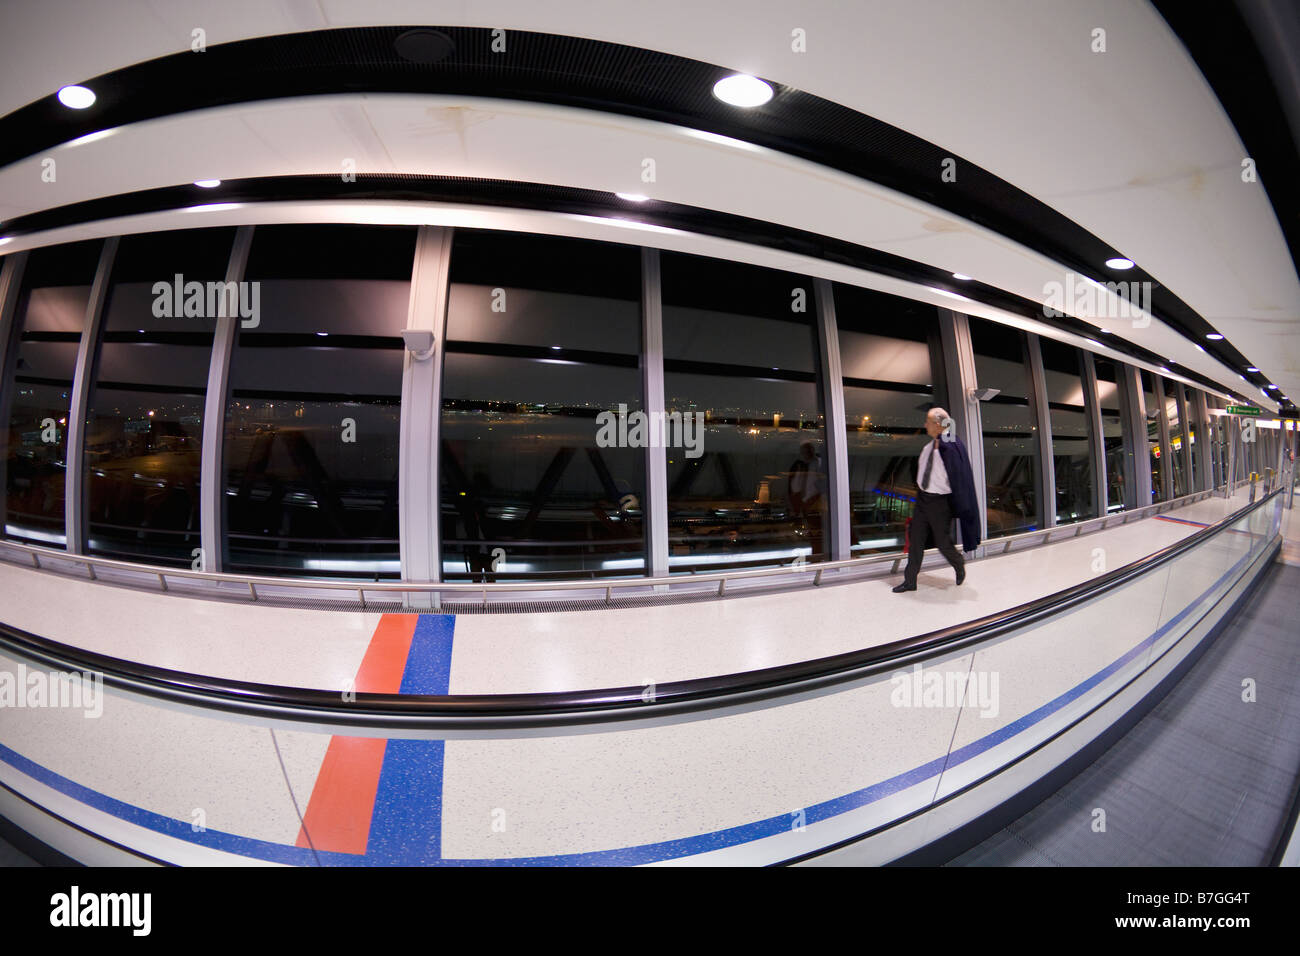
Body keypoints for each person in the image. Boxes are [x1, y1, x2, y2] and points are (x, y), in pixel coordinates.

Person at [893, 407, 981, 592]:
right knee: (916, 540)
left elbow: (958, 473)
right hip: (923, 499)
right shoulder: (929, 447)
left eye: (928, 421)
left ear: (938, 424)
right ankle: (910, 581)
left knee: (942, 542)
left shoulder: (949, 443)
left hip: (940, 502)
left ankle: (958, 563)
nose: (925, 425)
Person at [787, 441, 826, 558]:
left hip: (814, 505)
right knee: (805, 536)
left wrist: (813, 500)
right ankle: (812, 559)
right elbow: (793, 486)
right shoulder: (799, 465)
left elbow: (822, 485)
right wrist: (795, 505)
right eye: (804, 451)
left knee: (816, 537)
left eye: (809, 450)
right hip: (801, 504)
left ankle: (817, 560)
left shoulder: (819, 464)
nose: (806, 453)